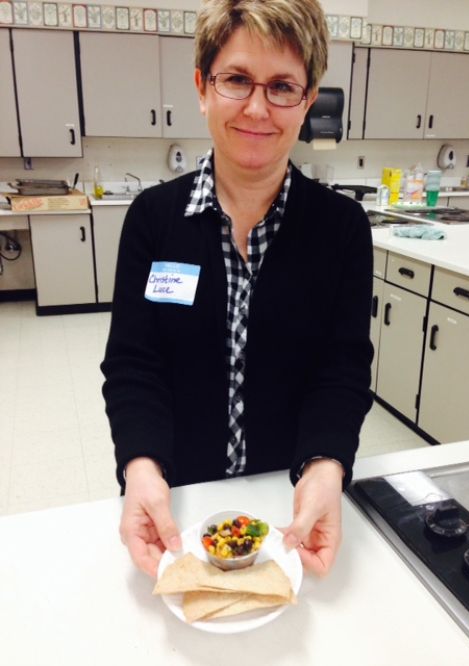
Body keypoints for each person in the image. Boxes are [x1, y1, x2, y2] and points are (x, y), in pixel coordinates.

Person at [101, 0, 373, 580]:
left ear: (307, 99)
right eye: (236, 80)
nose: (257, 107)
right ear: (203, 87)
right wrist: (141, 468)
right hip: (173, 504)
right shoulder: (153, 219)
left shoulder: (341, 229)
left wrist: (326, 468)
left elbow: (341, 369)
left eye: (282, 87)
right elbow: (133, 364)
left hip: (288, 510)